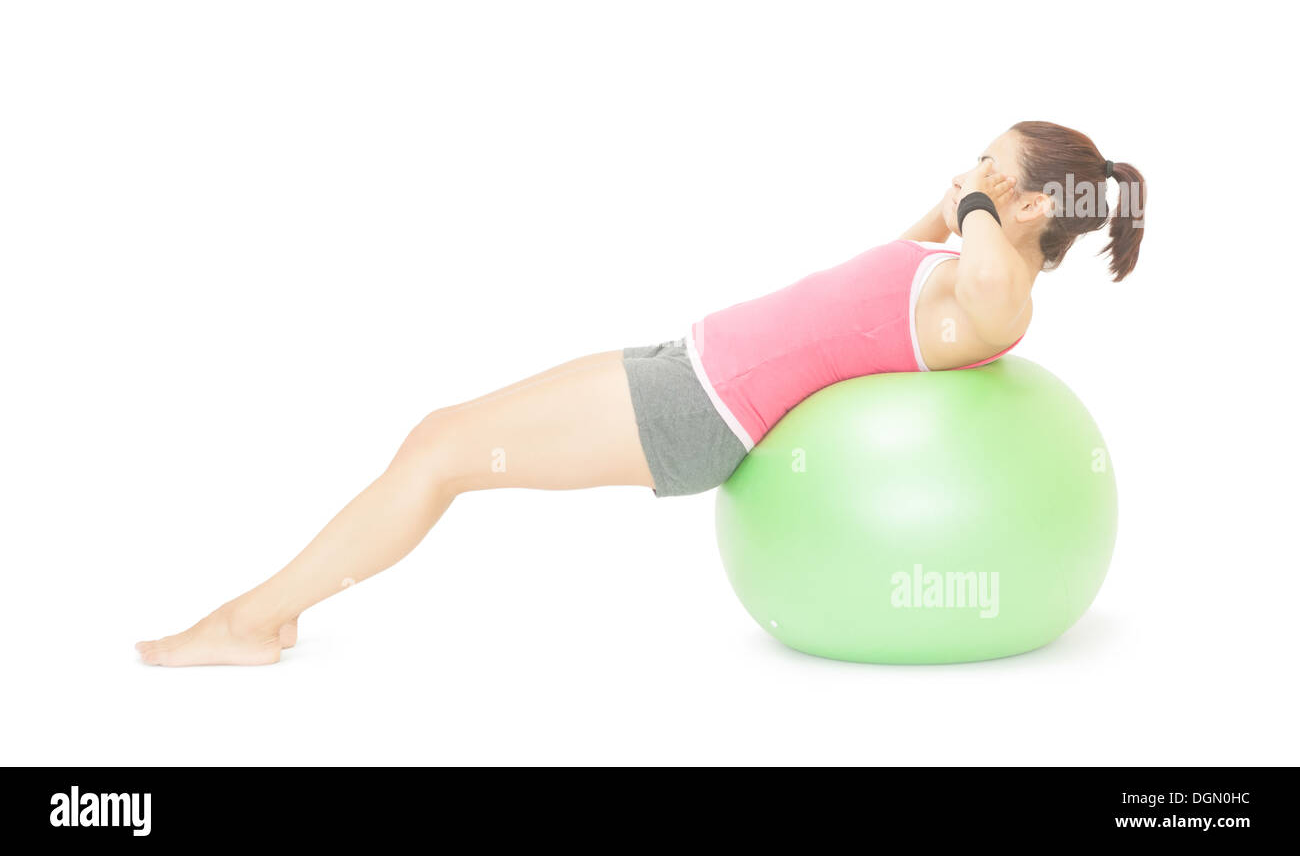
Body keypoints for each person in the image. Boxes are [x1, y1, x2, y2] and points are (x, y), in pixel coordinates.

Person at [136, 120, 1145, 666]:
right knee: (438, 435)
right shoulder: (963, 263)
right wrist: (970, 183)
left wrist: (984, 197)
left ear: (1023, 206)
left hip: (700, 407)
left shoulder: (998, 294)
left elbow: (980, 272)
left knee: (442, 453)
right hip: (689, 364)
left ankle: (251, 619)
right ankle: (267, 613)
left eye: (989, 168)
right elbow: (908, 242)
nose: (966, 172)